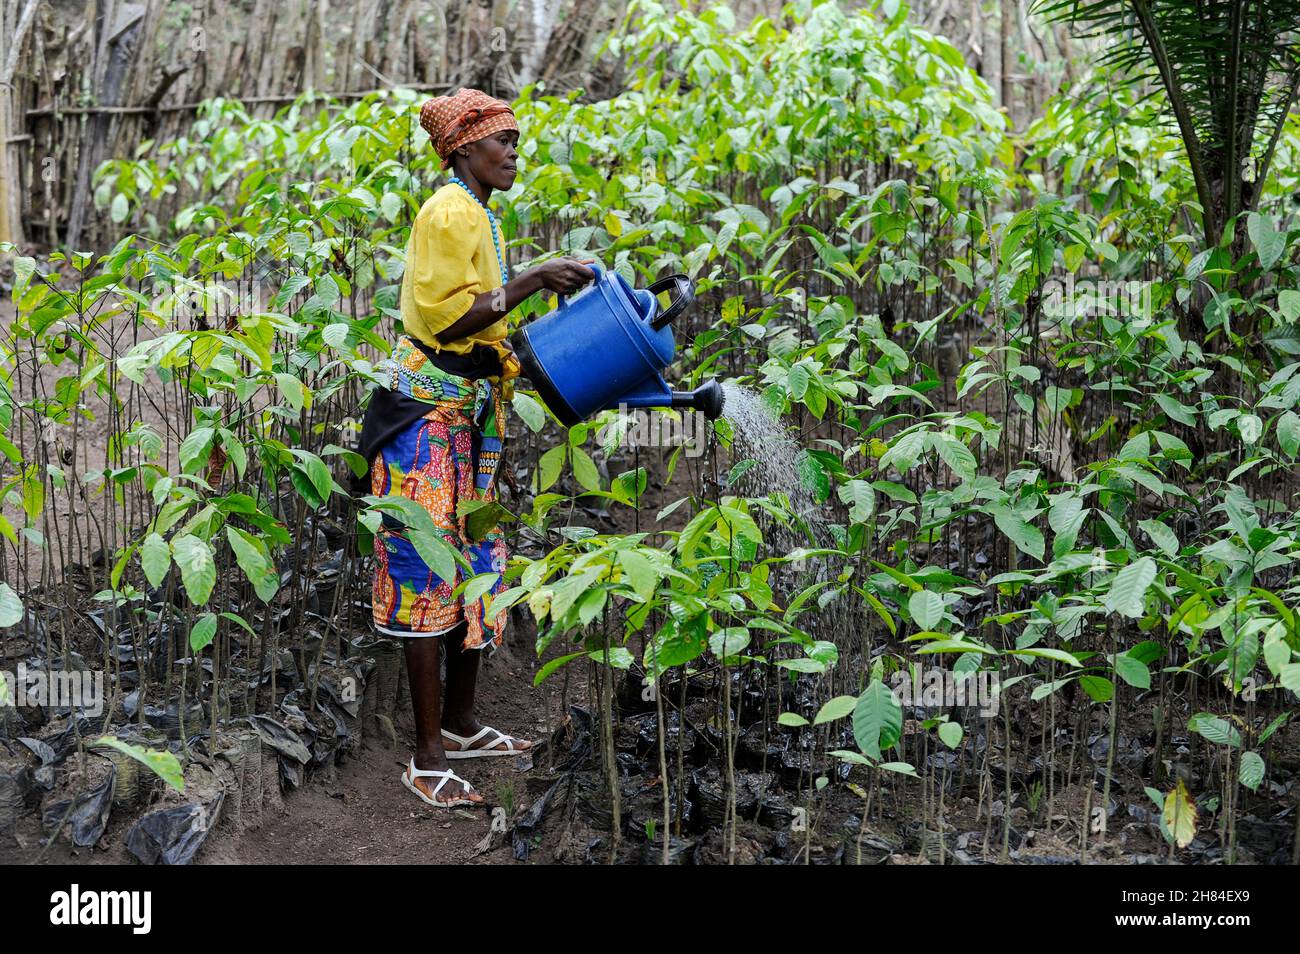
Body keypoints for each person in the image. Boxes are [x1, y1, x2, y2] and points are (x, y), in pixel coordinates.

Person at [356, 88, 596, 808]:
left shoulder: (481, 211)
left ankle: (460, 722)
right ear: (463, 149)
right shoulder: (447, 210)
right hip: (421, 421)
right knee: (425, 569)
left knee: (474, 561)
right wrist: (534, 279)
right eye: (504, 143)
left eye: (517, 143)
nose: (514, 155)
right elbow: (451, 315)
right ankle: (426, 755)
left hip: (465, 413)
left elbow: (483, 321)